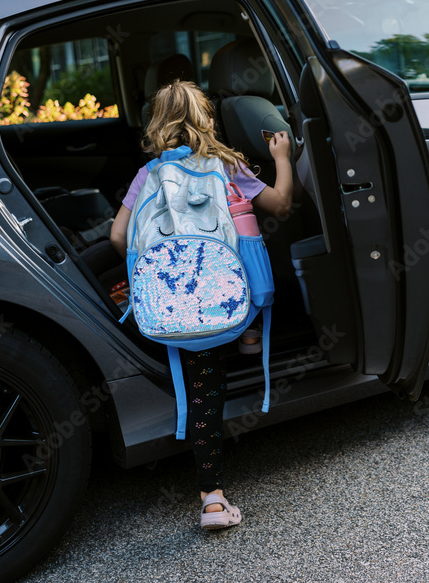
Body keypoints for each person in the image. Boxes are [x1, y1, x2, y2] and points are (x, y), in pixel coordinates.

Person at [110, 80, 292, 529]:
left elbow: (118, 237)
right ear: (208, 118)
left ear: (157, 123)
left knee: (202, 395)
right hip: (226, 295)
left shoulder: (147, 174)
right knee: (243, 275)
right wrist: (282, 160)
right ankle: (247, 332)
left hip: (176, 305)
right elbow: (281, 206)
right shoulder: (226, 165)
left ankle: (213, 499)